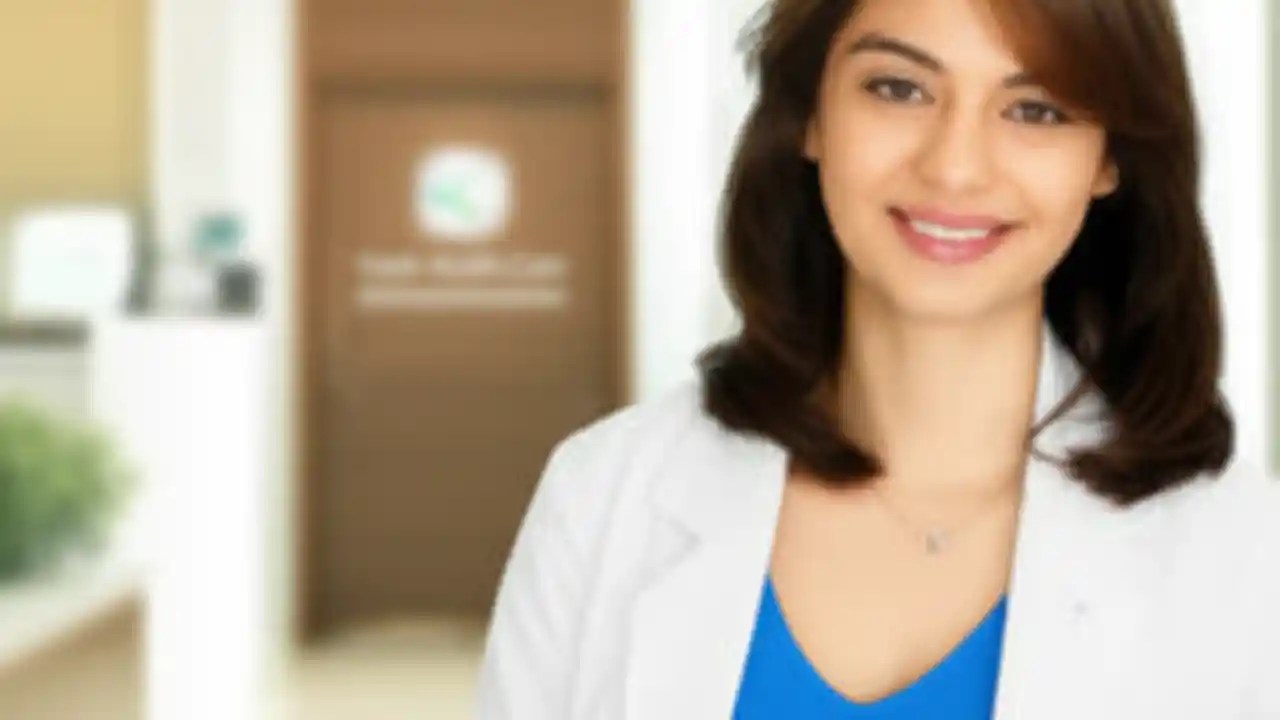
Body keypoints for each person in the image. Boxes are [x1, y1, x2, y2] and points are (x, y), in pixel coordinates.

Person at [474, 0, 1280, 717]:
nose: (955, 166)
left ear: (1109, 160)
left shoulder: (1242, 551)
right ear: (811, 114)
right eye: (899, 88)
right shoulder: (603, 494)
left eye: (1036, 109)